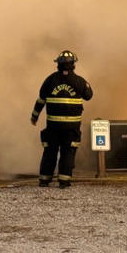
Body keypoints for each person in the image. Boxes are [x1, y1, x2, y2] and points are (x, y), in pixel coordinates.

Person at [31, 50, 93, 188]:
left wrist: (34, 116)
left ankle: (44, 180)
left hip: (53, 126)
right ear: (73, 65)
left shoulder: (50, 80)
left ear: (58, 64)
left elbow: (41, 100)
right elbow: (89, 96)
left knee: (50, 151)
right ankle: (64, 181)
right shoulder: (80, 81)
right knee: (68, 153)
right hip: (71, 128)